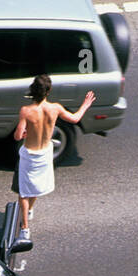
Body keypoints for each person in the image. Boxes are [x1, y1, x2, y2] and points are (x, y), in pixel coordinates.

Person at [13, 74, 95, 240]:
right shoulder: (55, 108)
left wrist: (25, 133)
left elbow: (17, 136)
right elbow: (75, 118)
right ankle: (29, 211)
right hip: (45, 154)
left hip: (29, 155)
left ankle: (25, 229)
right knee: (36, 185)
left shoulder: (26, 111)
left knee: (23, 192)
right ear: (48, 91)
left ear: (32, 91)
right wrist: (85, 105)